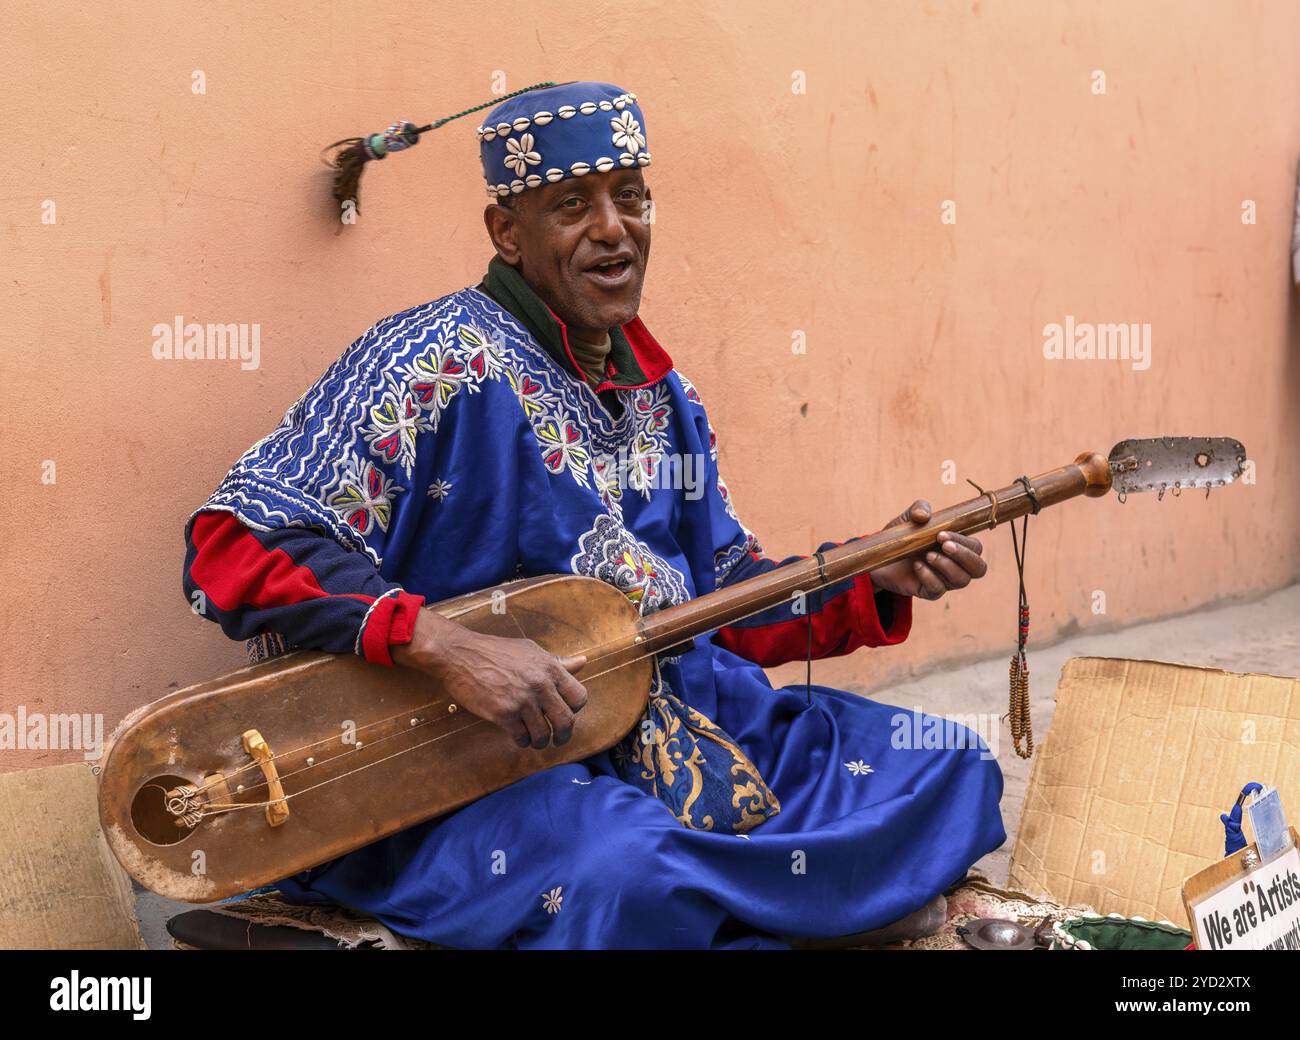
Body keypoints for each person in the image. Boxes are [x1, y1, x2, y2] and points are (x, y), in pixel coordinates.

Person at [182, 81, 1005, 949]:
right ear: (508, 232)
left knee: (946, 765)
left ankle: (766, 915)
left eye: (631, 197)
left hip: (689, 727)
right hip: (481, 768)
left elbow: (729, 600)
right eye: (572, 205)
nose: (613, 228)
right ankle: (827, 912)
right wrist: (446, 646)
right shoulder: (426, 362)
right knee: (628, 869)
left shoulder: (666, 394)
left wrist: (868, 572)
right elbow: (235, 539)